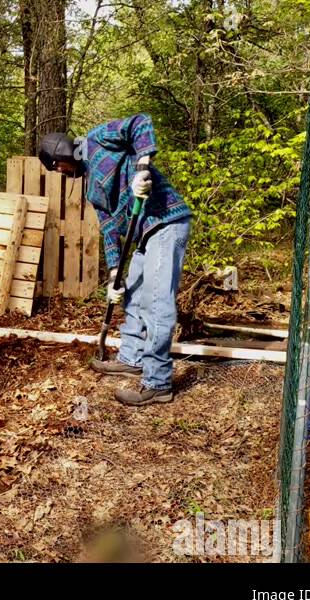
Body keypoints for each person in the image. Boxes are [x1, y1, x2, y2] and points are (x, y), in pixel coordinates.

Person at [38, 114, 193, 406]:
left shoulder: (98, 138)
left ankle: (158, 383)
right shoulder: (92, 190)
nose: (60, 171)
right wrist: (113, 274)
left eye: (57, 165)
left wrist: (142, 168)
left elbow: (141, 123)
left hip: (167, 221)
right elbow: (110, 230)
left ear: (61, 152)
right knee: (132, 295)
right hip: (145, 233)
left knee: (157, 302)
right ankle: (132, 358)